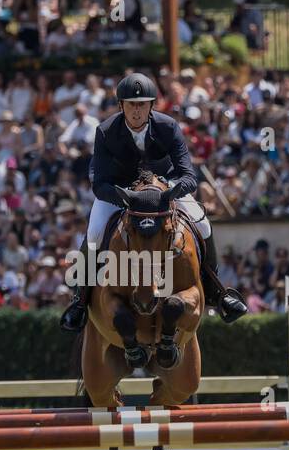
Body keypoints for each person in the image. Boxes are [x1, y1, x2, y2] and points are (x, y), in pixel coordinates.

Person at [59, 72, 248, 332]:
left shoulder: (168, 126)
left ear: (151, 106)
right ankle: (80, 300)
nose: (136, 111)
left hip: (164, 188)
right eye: (131, 104)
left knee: (203, 225)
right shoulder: (105, 131)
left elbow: (188, 173)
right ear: (121, 105)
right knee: (93, 234)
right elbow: (99, 182)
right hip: (122, 190)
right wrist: (126, 197)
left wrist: (171, 192)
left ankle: (216, 291)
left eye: (142, 104)